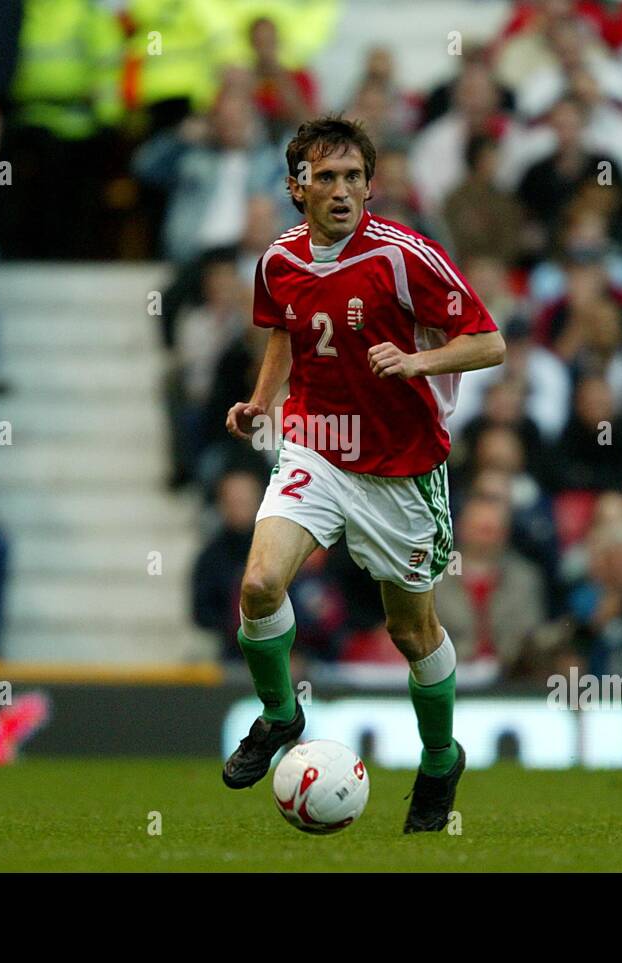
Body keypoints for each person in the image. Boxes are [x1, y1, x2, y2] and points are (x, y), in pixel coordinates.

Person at [221, 116, 505, 832]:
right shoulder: (277, 261)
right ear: (297, 187)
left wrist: (418, 361)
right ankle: (282, 714)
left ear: (369, 185)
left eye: (354, 177)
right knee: (258, 585)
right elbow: (285, 328)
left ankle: (440, 758)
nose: (343, 190)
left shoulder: (405, 257)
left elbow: (489, 340)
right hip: (315, 445)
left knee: (411, 632)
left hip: (403, 468)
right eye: (327, 177)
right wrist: (262, 402)